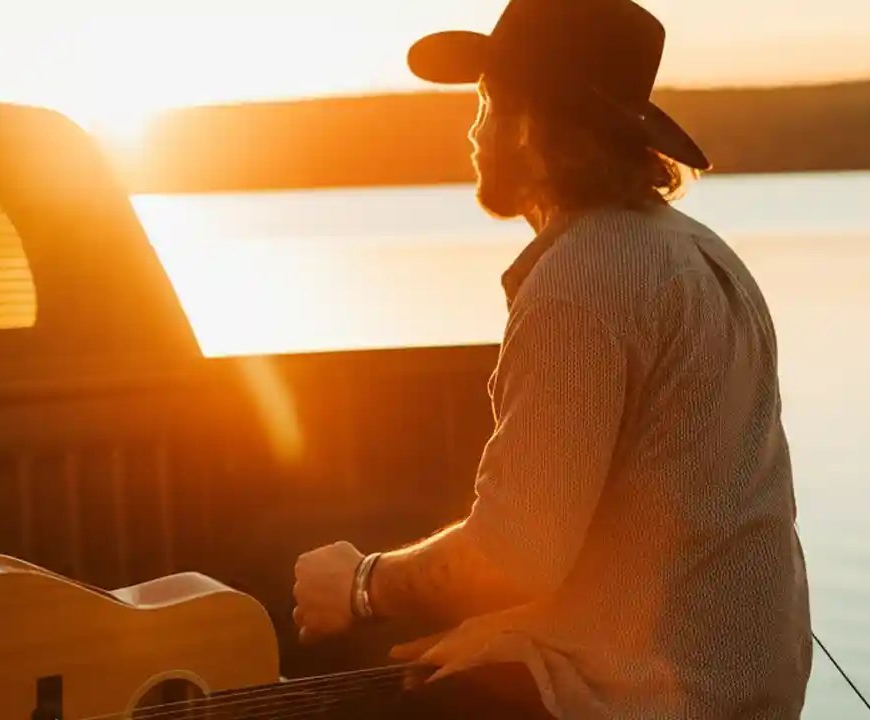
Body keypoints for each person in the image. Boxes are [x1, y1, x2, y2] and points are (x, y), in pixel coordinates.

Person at [292, 0, 812, 717]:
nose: (474, 132)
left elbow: (516, 554)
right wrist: (513, 627)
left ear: (532, 127)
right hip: (742, 691)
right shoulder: (698, 252)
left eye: (485, 105)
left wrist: (361, 585)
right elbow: (661, 539)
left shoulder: (578, 286)